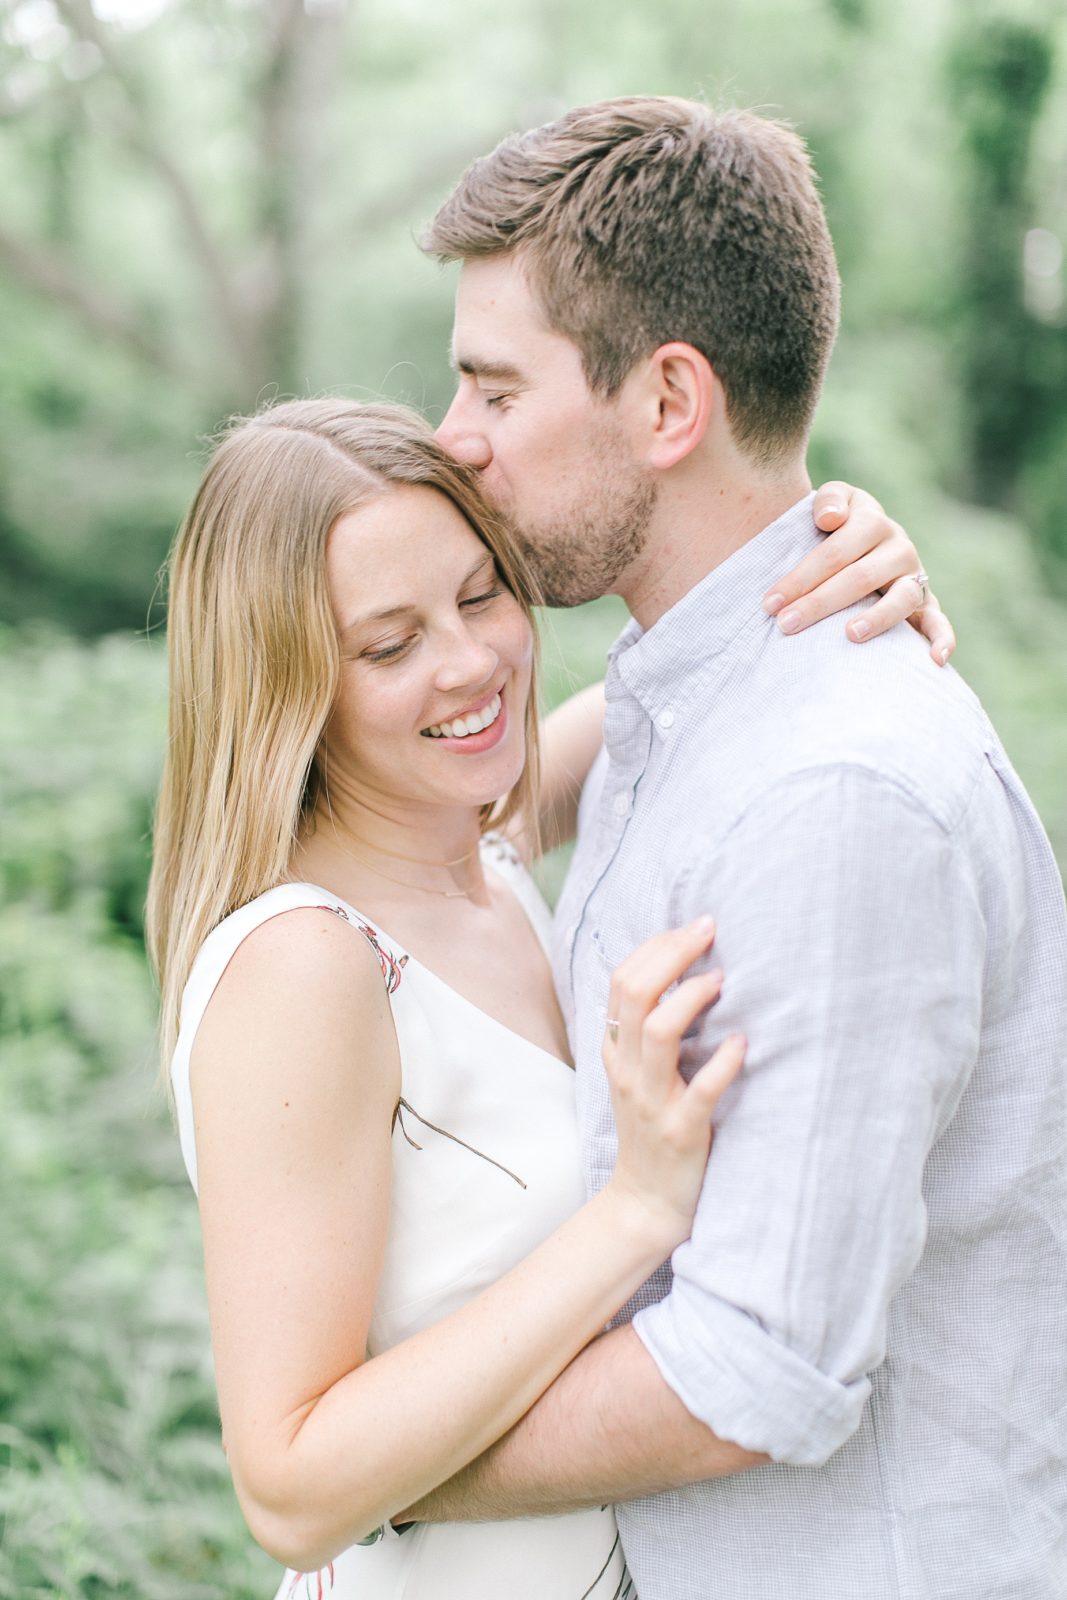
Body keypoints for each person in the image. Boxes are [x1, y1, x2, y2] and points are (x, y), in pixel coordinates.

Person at [394, 96, 1067, 1598]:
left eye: (494, 392)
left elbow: (760, 1368)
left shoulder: (829, 789)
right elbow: (438, 819)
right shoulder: (685, 704)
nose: (455, 442)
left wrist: (381, 1462)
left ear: (668, 403)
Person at [148, 394, 950, 1599]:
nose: (469, 663)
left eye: (479, 594)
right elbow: (289, 1484)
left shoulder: (480, 847)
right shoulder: (309, 967)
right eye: (388, 643)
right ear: (285, 683)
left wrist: (839, 542)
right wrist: (631, 1212)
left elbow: (697, 663)